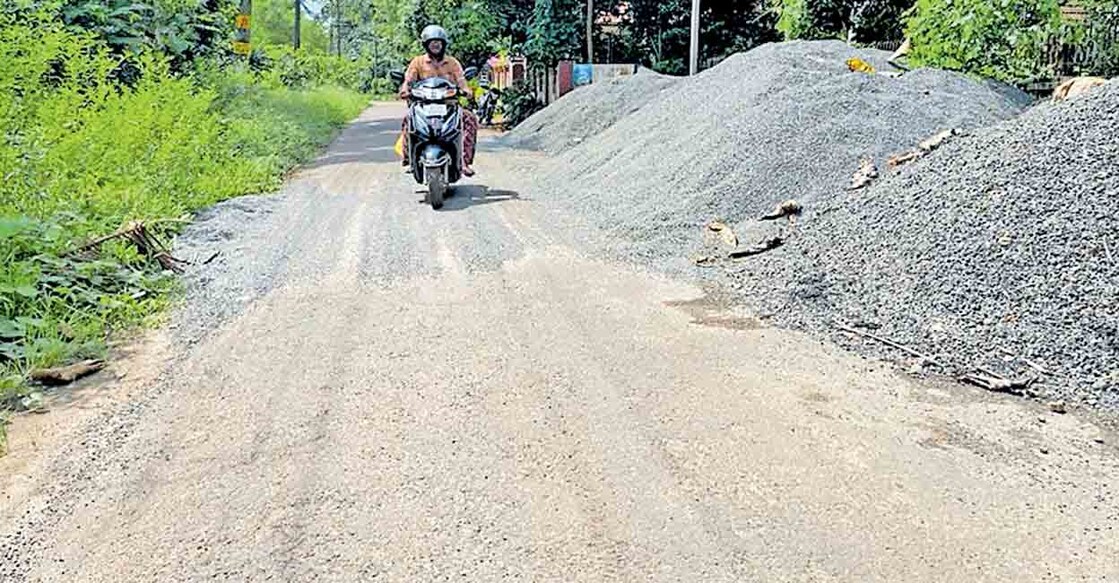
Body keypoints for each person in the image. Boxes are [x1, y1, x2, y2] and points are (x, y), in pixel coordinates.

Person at [399, 25, 478, 177]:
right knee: (408, 120)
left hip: (448, 106)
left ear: (443, 44)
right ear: (426, 45)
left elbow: (461, 80)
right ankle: (409, 159)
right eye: (432, 42)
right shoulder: (418, 62)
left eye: (438, 42)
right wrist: (405, 90)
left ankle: (464, 161)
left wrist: (466, 90)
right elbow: (408, 79)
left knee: (469, 119)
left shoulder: (452, 62)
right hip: (423, 105)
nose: (435, 45)